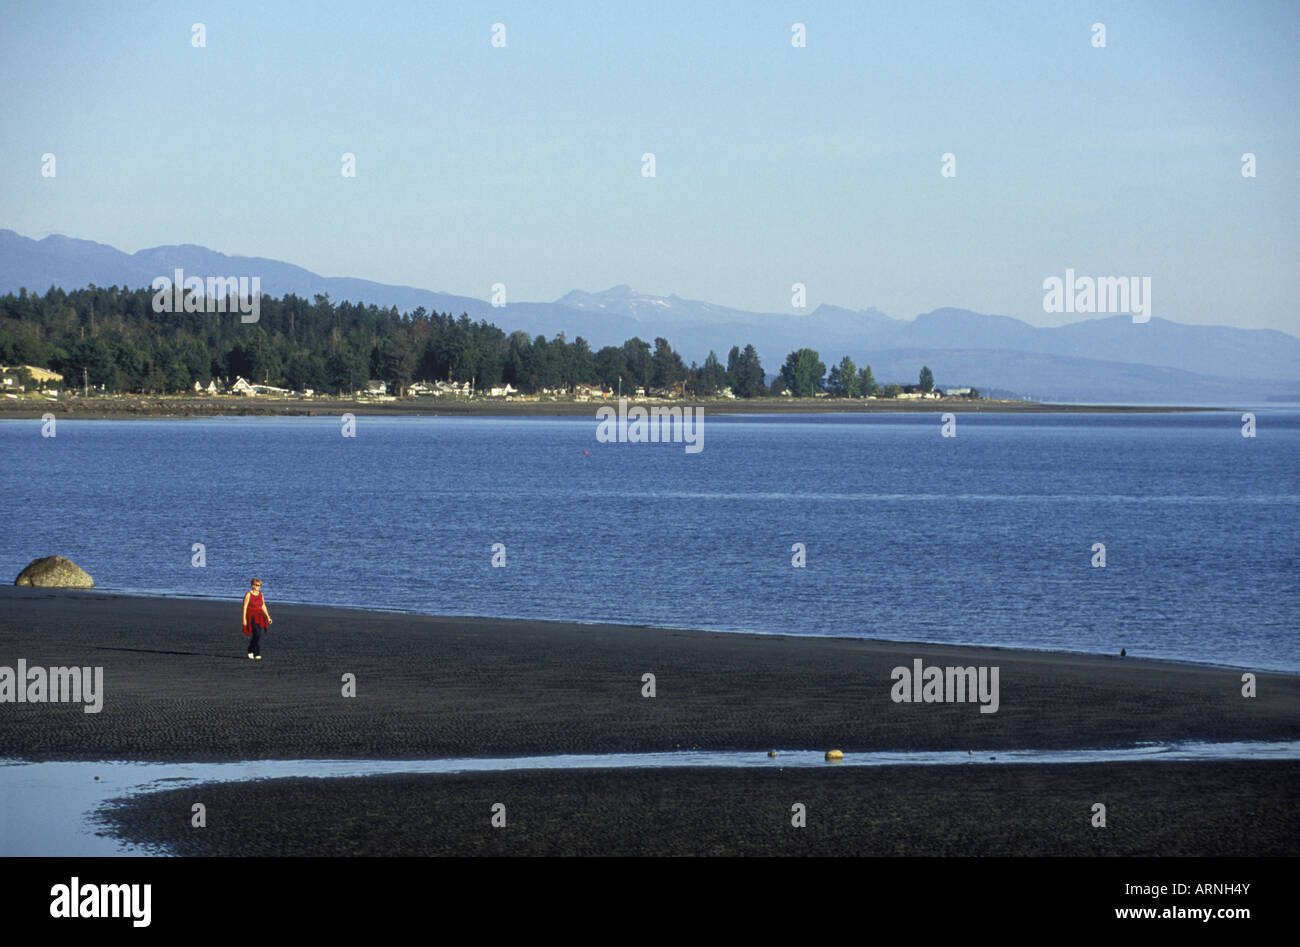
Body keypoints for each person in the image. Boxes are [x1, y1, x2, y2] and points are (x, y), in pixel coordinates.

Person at [241, 577, 272, 660]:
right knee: (257, 633)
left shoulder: (261, 594)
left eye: (260, 585)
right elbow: (244, 607)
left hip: (260, 616)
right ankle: (250, 650)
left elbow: (263, 605)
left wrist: (268, 617)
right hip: (251, 617)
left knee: (258, 635)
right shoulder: (248, 594)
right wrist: (244, 619)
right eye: (257, 585)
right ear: (253, 586)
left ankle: (256, 653)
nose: (259, 587)